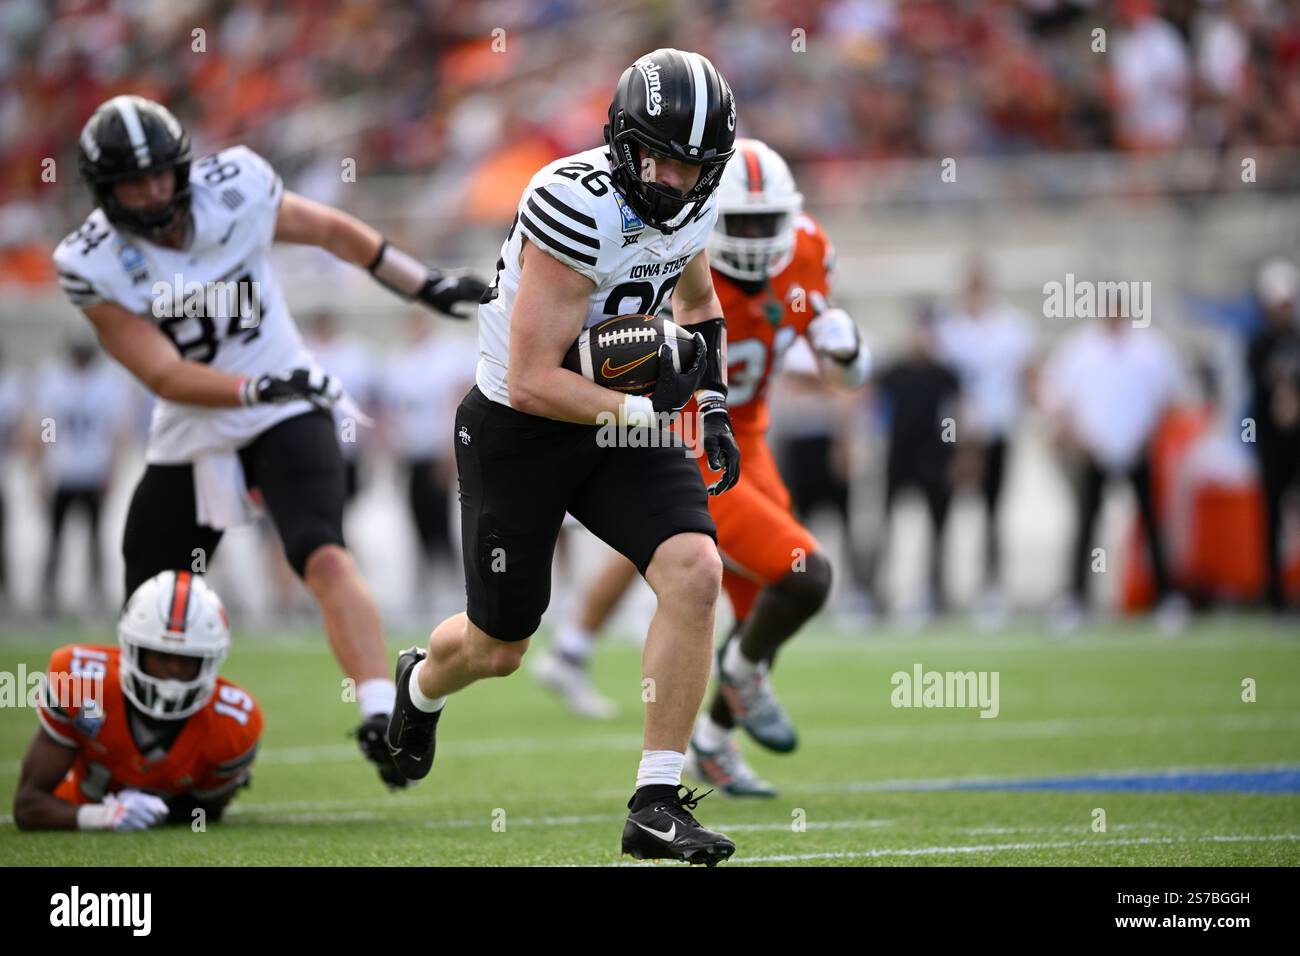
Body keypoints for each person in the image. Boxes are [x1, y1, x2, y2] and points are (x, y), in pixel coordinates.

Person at [51, 95, 485, 787]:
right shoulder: (91, 260)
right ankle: (155, 747)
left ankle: (383, 713)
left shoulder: (235, 189)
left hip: (287, 398)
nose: (155, 190)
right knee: (154, 595)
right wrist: (251, 391)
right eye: (136, 182)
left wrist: (424, 284)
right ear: (106, 191)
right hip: (196, 416)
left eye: (163, 173)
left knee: (321, 548)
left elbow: (333, 232)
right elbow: (163, 372)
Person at [385, 49, 743, 864]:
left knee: (694, 569)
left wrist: (712, 404)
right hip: (521, 425)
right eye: (662, 157)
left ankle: (655, 801)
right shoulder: (569, 202)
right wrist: (650, 410)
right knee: (500, 647)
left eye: (696, 165)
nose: (677, 181)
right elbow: (540, 377)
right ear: (623, 140)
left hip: (620, 420)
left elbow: (697, 301)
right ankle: (418, 684)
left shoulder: (693, 204)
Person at [533, 139, 870, 800]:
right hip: (691, 439)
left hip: (754, 435)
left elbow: (842, 373)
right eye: (736, 222)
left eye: (762, 223)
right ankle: (726, 691)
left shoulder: (805, 251)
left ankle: (715, 739)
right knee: (806, 575)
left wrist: (848, 352)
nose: (749, 236)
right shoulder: (675, 254)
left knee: (767, 604)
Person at [12, 570, 261, 831]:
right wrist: (102, 816)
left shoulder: (233, 724)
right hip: (73, 803)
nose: (173, 669)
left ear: (210, 661)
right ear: (133, 650)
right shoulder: (82, 683)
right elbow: (28, 805)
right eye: (161, 655)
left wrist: (157, 812)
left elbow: (206, 811)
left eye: (188, 659)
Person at [1040, 293, 1187, 632]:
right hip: (1095, 451)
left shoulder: (1149, 348)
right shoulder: (1080, 347)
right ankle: (1076, 598)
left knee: (1152, 524)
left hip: (1138, 449)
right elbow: (1055, 398)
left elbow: (1170, 397)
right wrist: (1077, 438)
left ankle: (1167, 596)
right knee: (1086, 525)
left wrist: (1149, 435)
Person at [937, 260, 1035, 625]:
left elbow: (1027, 374)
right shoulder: (949, 328)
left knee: (993, 513)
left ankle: (991, 586)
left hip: (996, 432)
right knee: (942, 511)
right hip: (953, 436)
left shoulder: (1012, 327)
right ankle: (938, 587)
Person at [871, 305, 963, 622]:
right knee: (886, 526)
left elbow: (954, 417)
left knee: (937, 529)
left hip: (934, 461)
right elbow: (874, 410)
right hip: (898, 459)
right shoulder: (894, 373)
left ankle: (934, 591)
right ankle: (879, 592)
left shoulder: (945, 375)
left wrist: (954, 453)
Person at [32, 338, 131, 617]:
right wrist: (48, 462)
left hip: (93, 470)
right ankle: (49, 596)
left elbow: (115, 431)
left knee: (94, 540)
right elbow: (48, 424)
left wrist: (112, 470)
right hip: (64, 470)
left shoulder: (106, 383)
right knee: (55, 538)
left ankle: (95, 595)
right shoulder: (56, 380)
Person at [1246, 258, 1300, 613]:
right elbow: (1262, 386)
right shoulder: (1258, 343)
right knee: (1271, 516)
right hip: (1270, 443)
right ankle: (1274, 594)